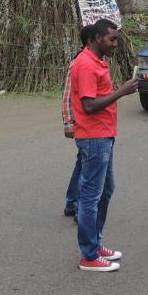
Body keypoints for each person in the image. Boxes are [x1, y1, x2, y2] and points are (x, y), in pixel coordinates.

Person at [69, 19, 138, 272]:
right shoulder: (86, 65)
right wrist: (121, 91)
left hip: (104, 135)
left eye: (116, 40)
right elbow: (88, 106)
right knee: (90, 196)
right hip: (94, 137)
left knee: (106, 190)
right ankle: (88, 255)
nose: (115, 45)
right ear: (98, 38)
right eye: (112, 40)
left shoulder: (99, 62)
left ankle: (95, 244)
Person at [61, 23, 98, 219]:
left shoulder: (95, 61)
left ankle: (72, 202)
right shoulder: (80, 63)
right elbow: (68, 95)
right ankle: (80, 206)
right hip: (85, 125)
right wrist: (68, 122)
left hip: (92, 126)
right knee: (88, 166)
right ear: (92, 40)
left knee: (82, 163)